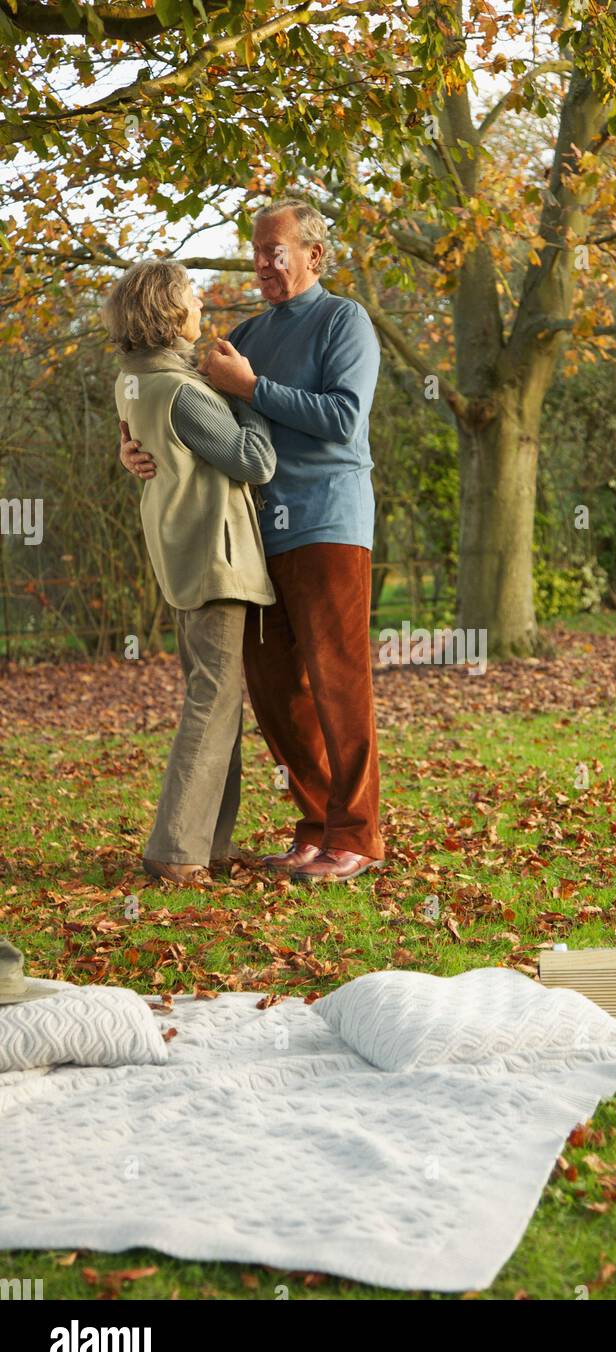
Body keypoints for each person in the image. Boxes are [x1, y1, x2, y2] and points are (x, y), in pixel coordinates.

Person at [122, 200, 386, 883]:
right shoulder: (242, 334)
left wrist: (255, 387)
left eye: (277, 250)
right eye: (257, 249)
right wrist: (135, 447)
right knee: (276, 695)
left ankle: (355, 835)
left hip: (328, 522)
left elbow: (344, 420)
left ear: (314, 256)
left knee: (337, 685)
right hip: (254, 539)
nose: (264, 262)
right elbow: (191, 412)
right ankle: (313, 827)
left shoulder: (343, 321)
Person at [105, 259, 277, 885]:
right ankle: (176, 850)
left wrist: (127, 453)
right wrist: (246, 393)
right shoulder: (187, 392)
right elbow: (253, 463)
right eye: (192, 298)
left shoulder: (131, 380)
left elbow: (137, 442)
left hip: (178, 554)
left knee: (218, 697)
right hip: (214, 557)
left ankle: (207, 845)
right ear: (170, 313)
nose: (201, 305)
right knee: (213, 697)